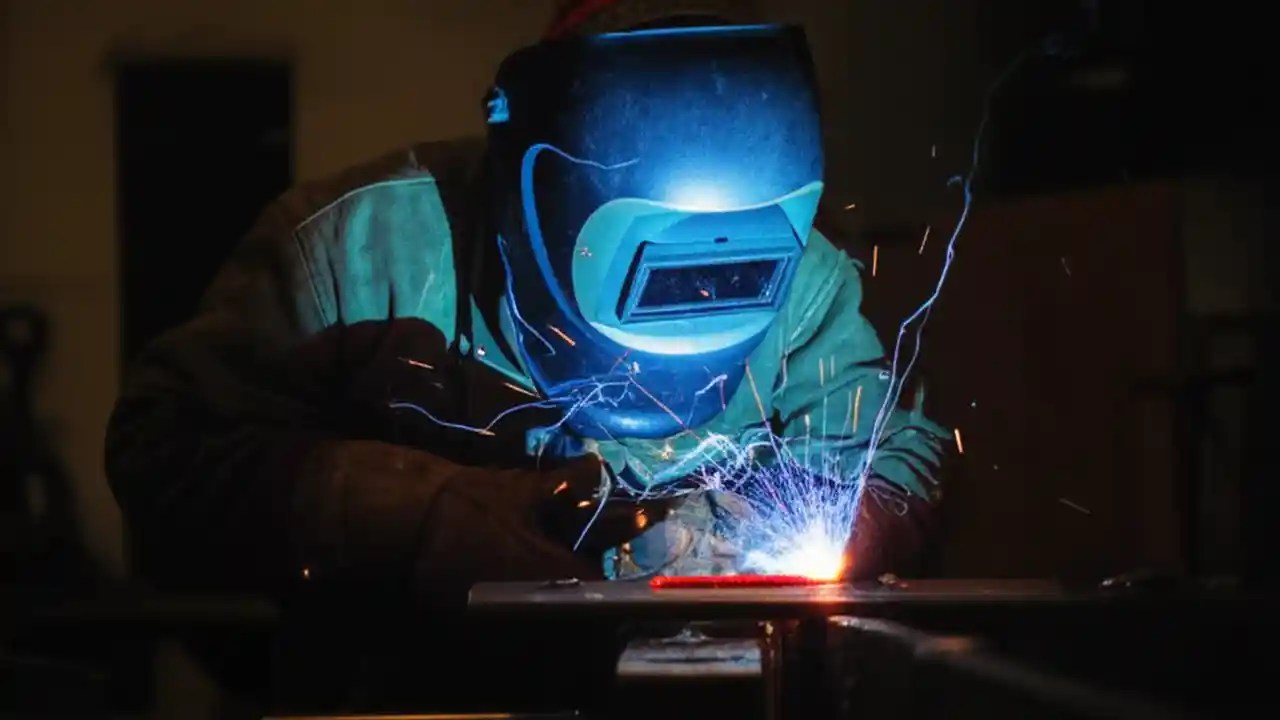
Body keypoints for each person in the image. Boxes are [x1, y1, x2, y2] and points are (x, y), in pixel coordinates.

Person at [104, 0, 950, 711]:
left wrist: (766, 532)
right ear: (539, 188)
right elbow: (162, 443)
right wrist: (421, 512)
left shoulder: (806, 281)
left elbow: (896, 457)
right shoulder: (355, 252)